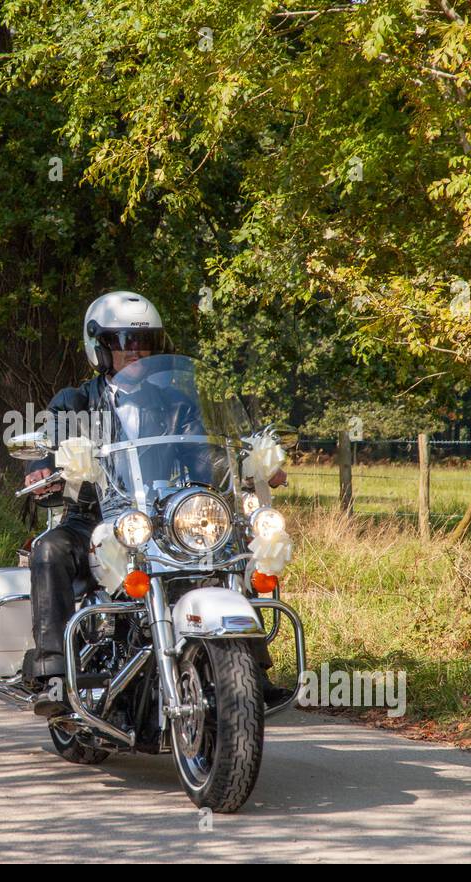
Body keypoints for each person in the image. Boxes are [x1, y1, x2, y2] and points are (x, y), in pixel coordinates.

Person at [21, 291, 287, 716]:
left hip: (160, 517)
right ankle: (52, 672)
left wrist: (248, 468)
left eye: (144, 342)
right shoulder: (76, 402)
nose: (135, 351)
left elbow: (205, 457)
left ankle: (250, 671)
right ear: (99, 347)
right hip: (91, 518)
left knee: (231, 545)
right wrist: (40, 471)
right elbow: (48, 449)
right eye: (122, 341)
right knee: (49, 549)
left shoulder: (176, 404)